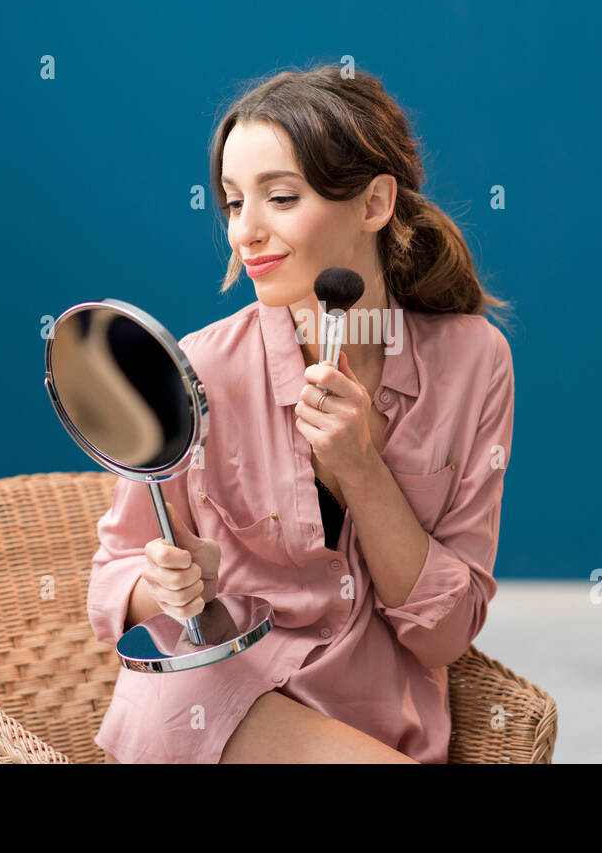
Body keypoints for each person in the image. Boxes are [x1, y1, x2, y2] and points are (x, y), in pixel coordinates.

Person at [88, 64, 516, 763]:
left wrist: (363, 471)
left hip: (384, 725)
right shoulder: (197, 367)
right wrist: (159, 583)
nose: (245, 232)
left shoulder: (475, 362)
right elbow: (112, 577)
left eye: (280, 197)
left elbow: (444, 635)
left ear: (375, 202)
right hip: (209, 714)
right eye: (232, 203)